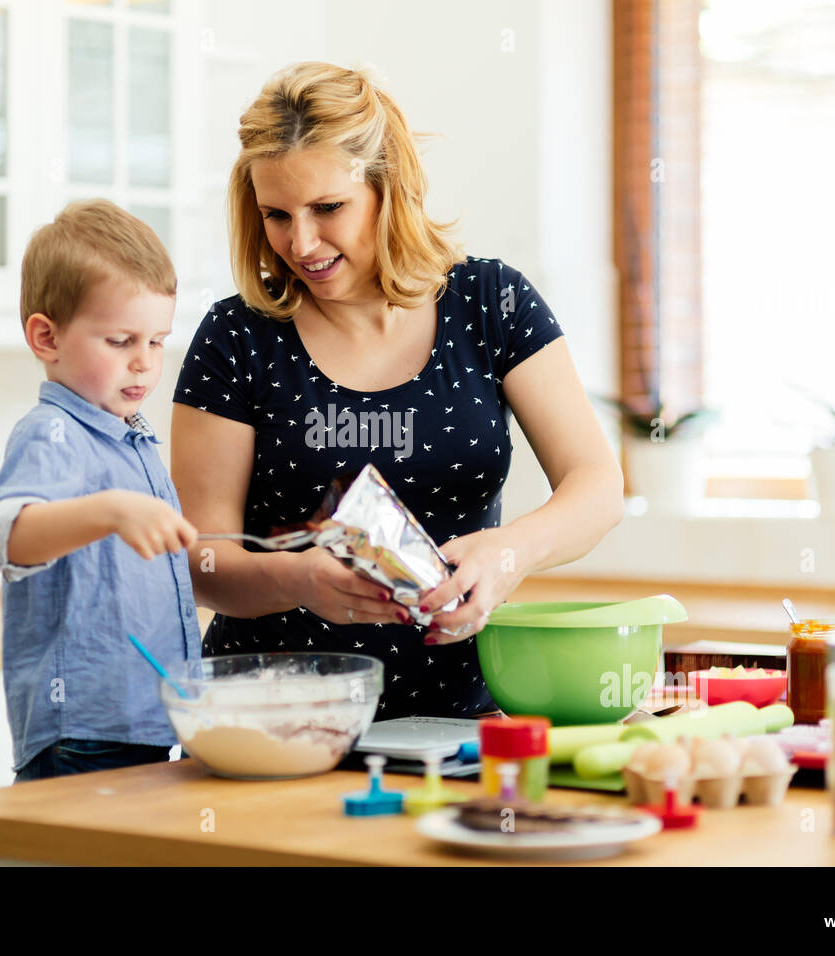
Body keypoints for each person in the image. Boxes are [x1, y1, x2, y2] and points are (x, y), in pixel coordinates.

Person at [170, 63, 624, 720]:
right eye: (276, 214)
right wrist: (296, 580)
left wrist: (510, 551)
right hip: (270, 725)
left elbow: (597, 486)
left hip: (458, 723)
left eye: (328, 208)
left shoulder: (491, 302)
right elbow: (201, 562)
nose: (301, 242)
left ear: (390, 188)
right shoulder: (236, 337)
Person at [0, 199, 201, 780]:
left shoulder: (131, 441)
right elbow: (10, 538)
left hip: (142, 725)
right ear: (46, 337)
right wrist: (109, 511)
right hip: (80, 734)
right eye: (120, 341)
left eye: (156, 342)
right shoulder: (52, 433)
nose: (143, 365)